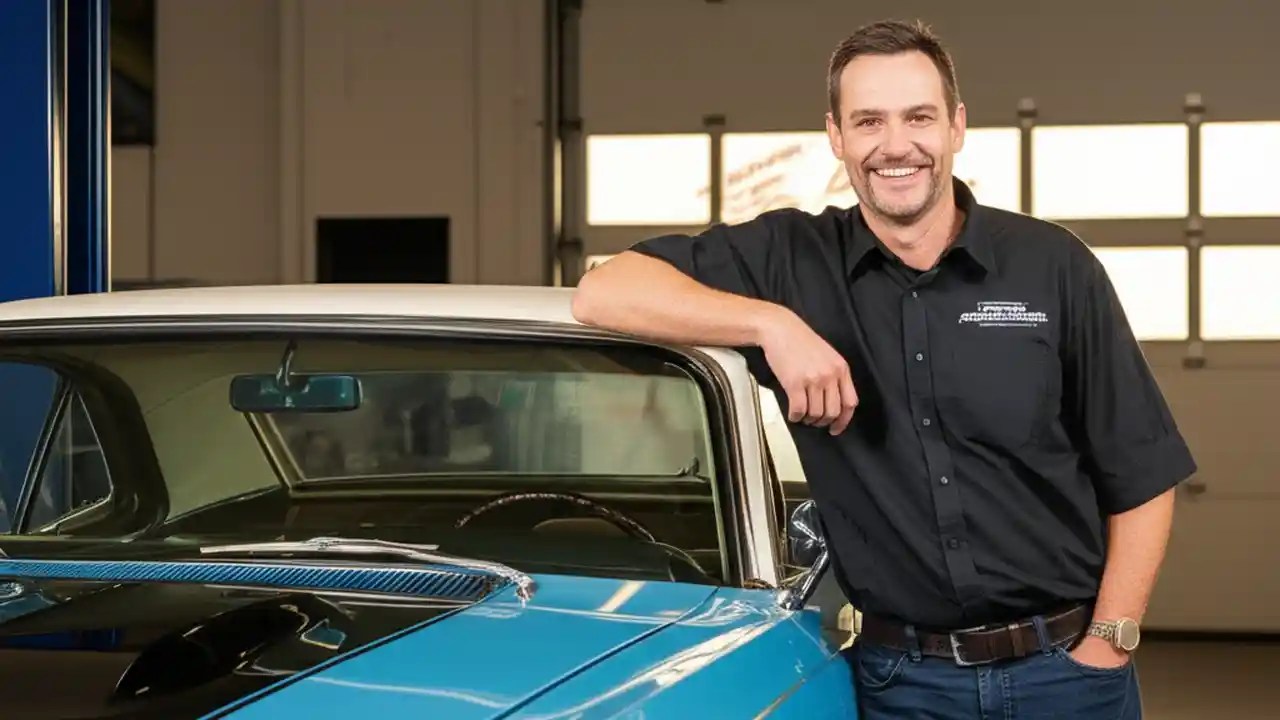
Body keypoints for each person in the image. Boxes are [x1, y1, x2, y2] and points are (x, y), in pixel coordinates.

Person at [570, 17, 1197, 720]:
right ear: (836, 136)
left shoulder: (1054, 267)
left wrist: (1109, 642)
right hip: (904, 686)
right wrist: (769, 323)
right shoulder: (787, 261)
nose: (895, 146)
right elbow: (605, 290)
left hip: (1068, 675)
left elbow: (1140, 473)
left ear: (956, 127)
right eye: (868, 121)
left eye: (918, 117)